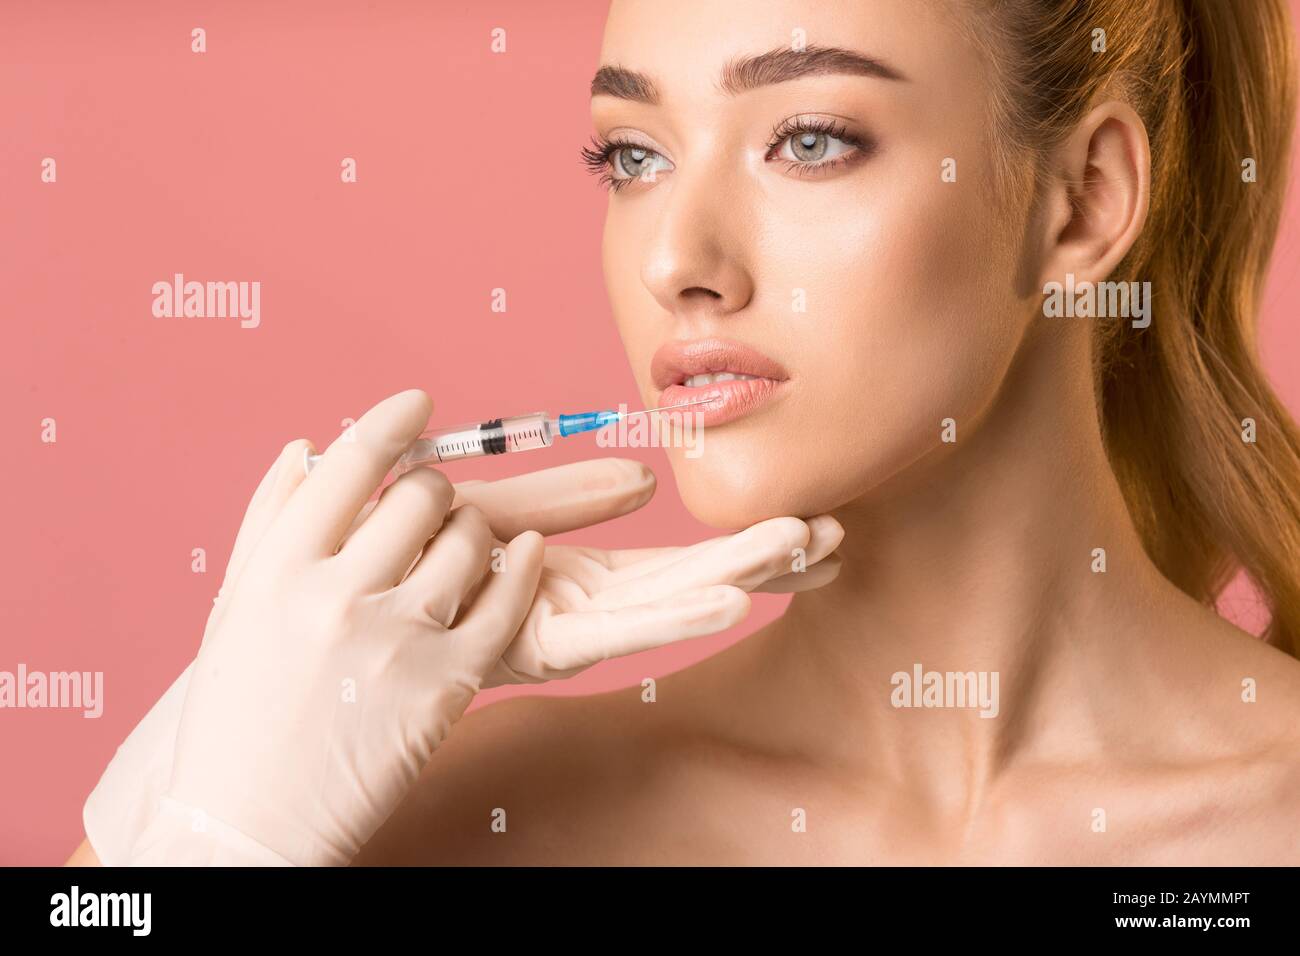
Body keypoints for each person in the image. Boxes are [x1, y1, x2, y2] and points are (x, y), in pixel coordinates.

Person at [71, 0, 1300, 865]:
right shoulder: (451, 818)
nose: (675, 261)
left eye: (808, 140)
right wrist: (200, 830)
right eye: (632, 155)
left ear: (1082, 201)